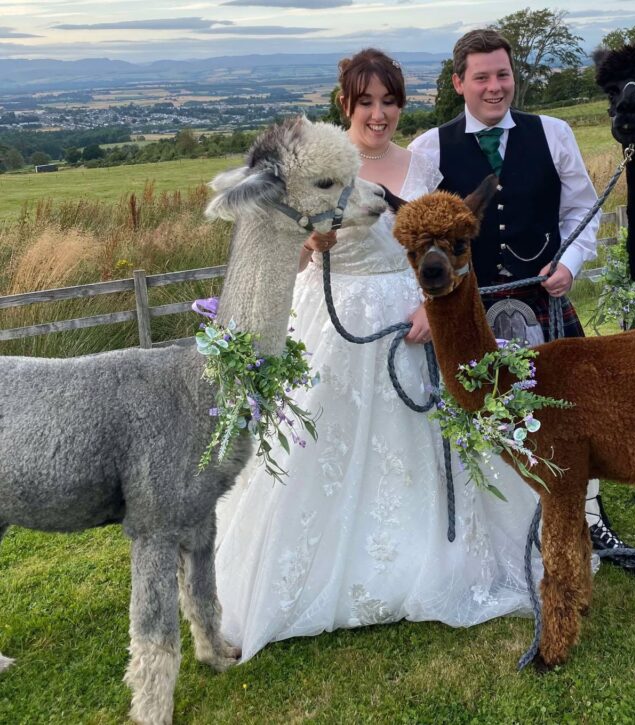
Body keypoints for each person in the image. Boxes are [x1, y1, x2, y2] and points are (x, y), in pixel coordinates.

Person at [214, 49, 559, 662]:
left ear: (402, 104)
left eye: (389, 101)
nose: (379, 115)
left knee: (427, 438)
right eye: (366, 102)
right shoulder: (323, 166)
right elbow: (290, 257)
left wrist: (435, 307)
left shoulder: (422, 159)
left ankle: (432, 558)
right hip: (334, 323)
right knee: (318, 443)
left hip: (414, 315)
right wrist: (310, 242)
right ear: (345, 104)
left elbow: (448, 237)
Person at [409, 29, 635, 575]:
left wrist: (569, 263)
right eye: (482, 78)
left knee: (575, 416)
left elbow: (581, 212)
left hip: (545, 302)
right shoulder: (429, 149)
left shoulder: (555, 133)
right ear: (459, 83)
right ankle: (491, 534)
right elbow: (418, 233)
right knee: (481, 414)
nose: (495, 87)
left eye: (503, 75)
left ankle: (591, 520)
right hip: (470, 312)